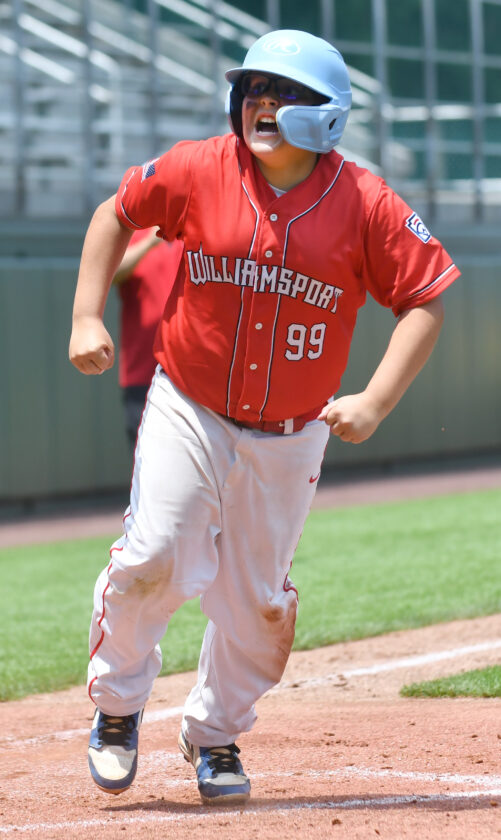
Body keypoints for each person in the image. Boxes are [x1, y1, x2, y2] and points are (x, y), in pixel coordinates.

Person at [68, 29, 460, 805]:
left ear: (329, 113)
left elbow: (424, 300)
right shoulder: (196, 168)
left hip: (290, 432)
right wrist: (85, 314)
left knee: (257, 603)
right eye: (254, 89)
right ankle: (116, 709)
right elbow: (118, 212)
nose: (263, 104)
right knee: (154, 552)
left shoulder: (364, 202)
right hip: (189, 404)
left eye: (284, 93)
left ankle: (213, 735)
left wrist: (376, 400)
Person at [113, 227, 183, 451]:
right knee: (143, 458)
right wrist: (148, 244)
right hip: (142, 370)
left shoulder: (191, 228)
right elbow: (109, 273)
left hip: (189, 374)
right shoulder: (133, 230)